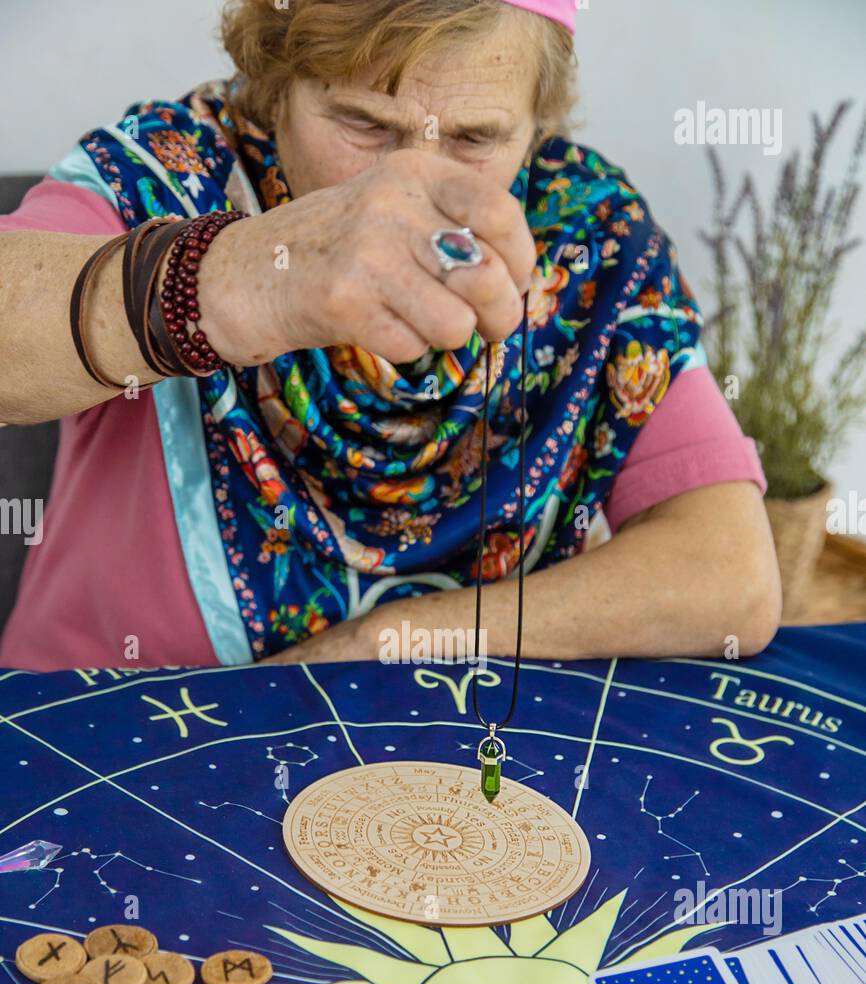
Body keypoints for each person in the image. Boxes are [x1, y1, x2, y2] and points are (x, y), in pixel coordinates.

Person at [0, 0, 780, 672]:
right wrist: (240, 280)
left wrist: (390, 642)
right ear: (272, 89)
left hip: (428, 762)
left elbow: (730, 579)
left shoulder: (588, 233)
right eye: (363, 123)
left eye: (475, 137)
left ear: (538, 128)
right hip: (106, 743)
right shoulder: (166, 174)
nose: (405, 187)